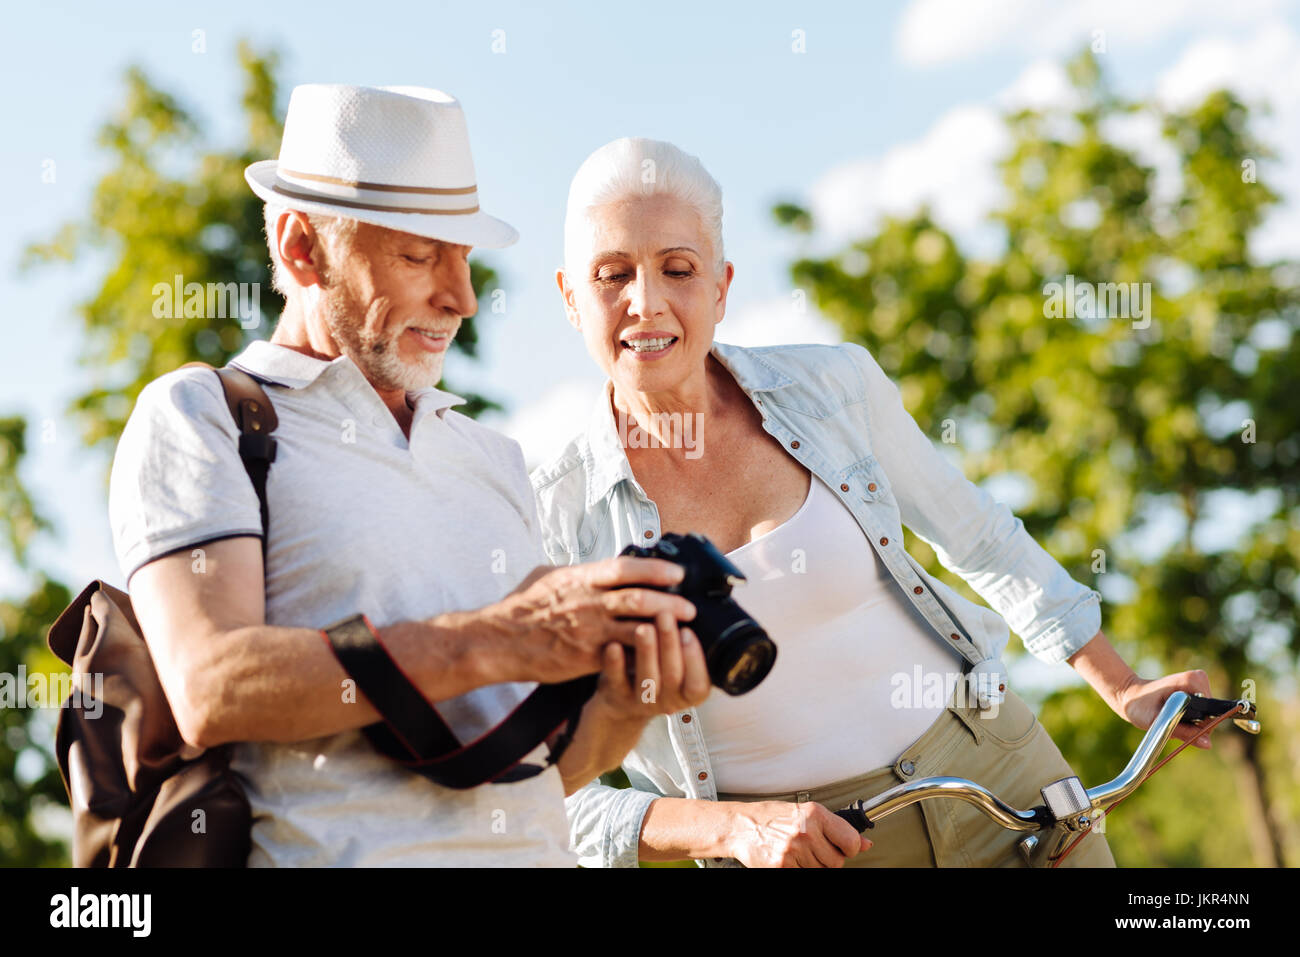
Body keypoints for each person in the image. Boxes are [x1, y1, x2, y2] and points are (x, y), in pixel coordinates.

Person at [529, 137, 1215, 868]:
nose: (647, 302)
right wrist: (727, 830)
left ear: (722, 286)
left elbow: (979, 535)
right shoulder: (548, 513)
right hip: (815, 854)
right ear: (570, 297)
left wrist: (1125, 684)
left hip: (1002, 781)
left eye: (678, 268)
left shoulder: (833, 387)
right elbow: (540, 787)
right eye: (612, 275)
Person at [108, 87, 710, 867]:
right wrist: (503, 638)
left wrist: (622, 711)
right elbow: (210, 687)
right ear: (302, 248)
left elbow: (537, 772)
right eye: (420, 254)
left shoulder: (492, 458)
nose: (460, 297)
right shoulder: (203, 416)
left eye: (463, 257)